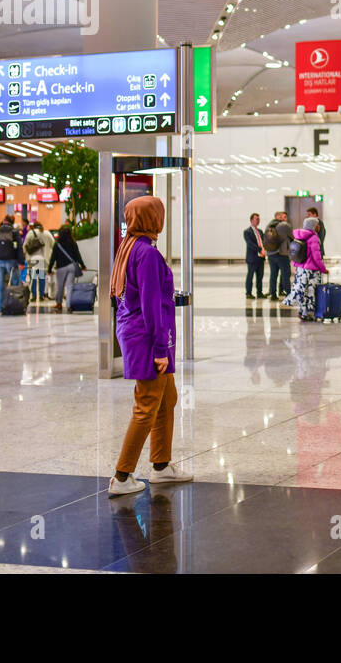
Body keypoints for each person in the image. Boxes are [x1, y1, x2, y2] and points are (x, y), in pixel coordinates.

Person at [107, 196, 191, 496]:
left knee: (167, 398)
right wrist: (159, 350)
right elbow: (152, 304)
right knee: (146, 405)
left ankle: (161, 465)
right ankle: (122, 475)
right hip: (148, 337)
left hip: (137, 332)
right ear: (153, 218)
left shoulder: (129, 247)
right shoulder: (146, 253)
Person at [285, 217, 328, 321]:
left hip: (300, 270)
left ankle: (301, 311)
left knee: (302, 291)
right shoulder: (314, 238)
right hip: (311, 271)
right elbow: (317, 257)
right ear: (313, 225)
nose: (319, 226)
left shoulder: (299, 236)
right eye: (317, 224)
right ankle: (307, 314)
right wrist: (323, 269)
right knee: (310, 292)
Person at [48, 223, 86, 312]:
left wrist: (49, 269)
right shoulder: (73, 243)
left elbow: (53, 257)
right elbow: (77, 255)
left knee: (60, 286)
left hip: (61, 268)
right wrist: (83, 265)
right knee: (70, 287)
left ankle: (59, 304)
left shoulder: (57, 244)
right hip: (71, 266)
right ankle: (69, 305)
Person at [265, 211, 294, 299]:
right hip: (282, 254)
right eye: (281, 216)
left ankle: (273, 294)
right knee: (285, 274)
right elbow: (293, 236)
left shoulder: (268, 225)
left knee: (273, 275)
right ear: (279, 217)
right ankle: (289, 294)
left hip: (270, 254)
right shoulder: (284, 225)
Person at [24, 221, 55, 301]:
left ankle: (34, 295)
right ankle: (41, 295)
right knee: (41, 277)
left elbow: (25, 246)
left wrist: (24, 256)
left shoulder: (30, 233)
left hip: (33, 258)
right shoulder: (47, 233)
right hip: (43, 258)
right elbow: (53, 245)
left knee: (33, 278)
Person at [243, 212, 266, 300]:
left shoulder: (260, 231)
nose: (258, 221)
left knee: (260, 276)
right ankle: (248, 293)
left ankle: (259, 292)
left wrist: (265, 249)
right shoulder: (247, 232)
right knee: (250, 276)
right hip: (252, 258)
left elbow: (263, 242)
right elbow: (250, 244)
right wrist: (260, 249)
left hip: (261, 257)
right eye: (256, 219)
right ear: (251, 220)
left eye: (259, 219)